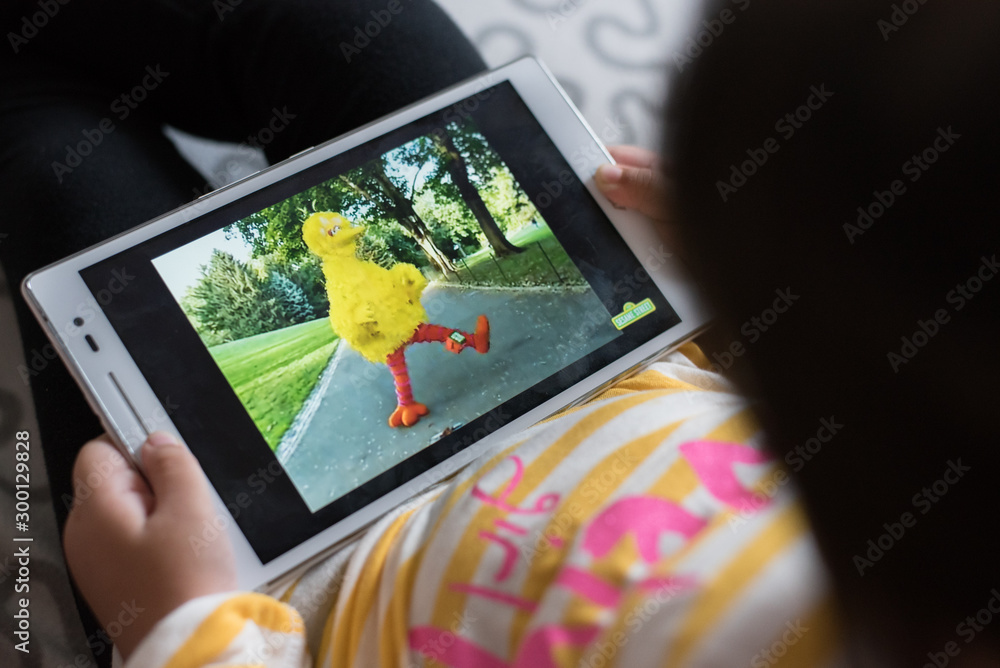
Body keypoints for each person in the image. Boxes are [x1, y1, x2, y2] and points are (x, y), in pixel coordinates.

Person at [46, 1, 1000, 667]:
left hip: (274, 583)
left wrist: (187, 630)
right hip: (623, 369)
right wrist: (760, 300)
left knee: (46, 142)